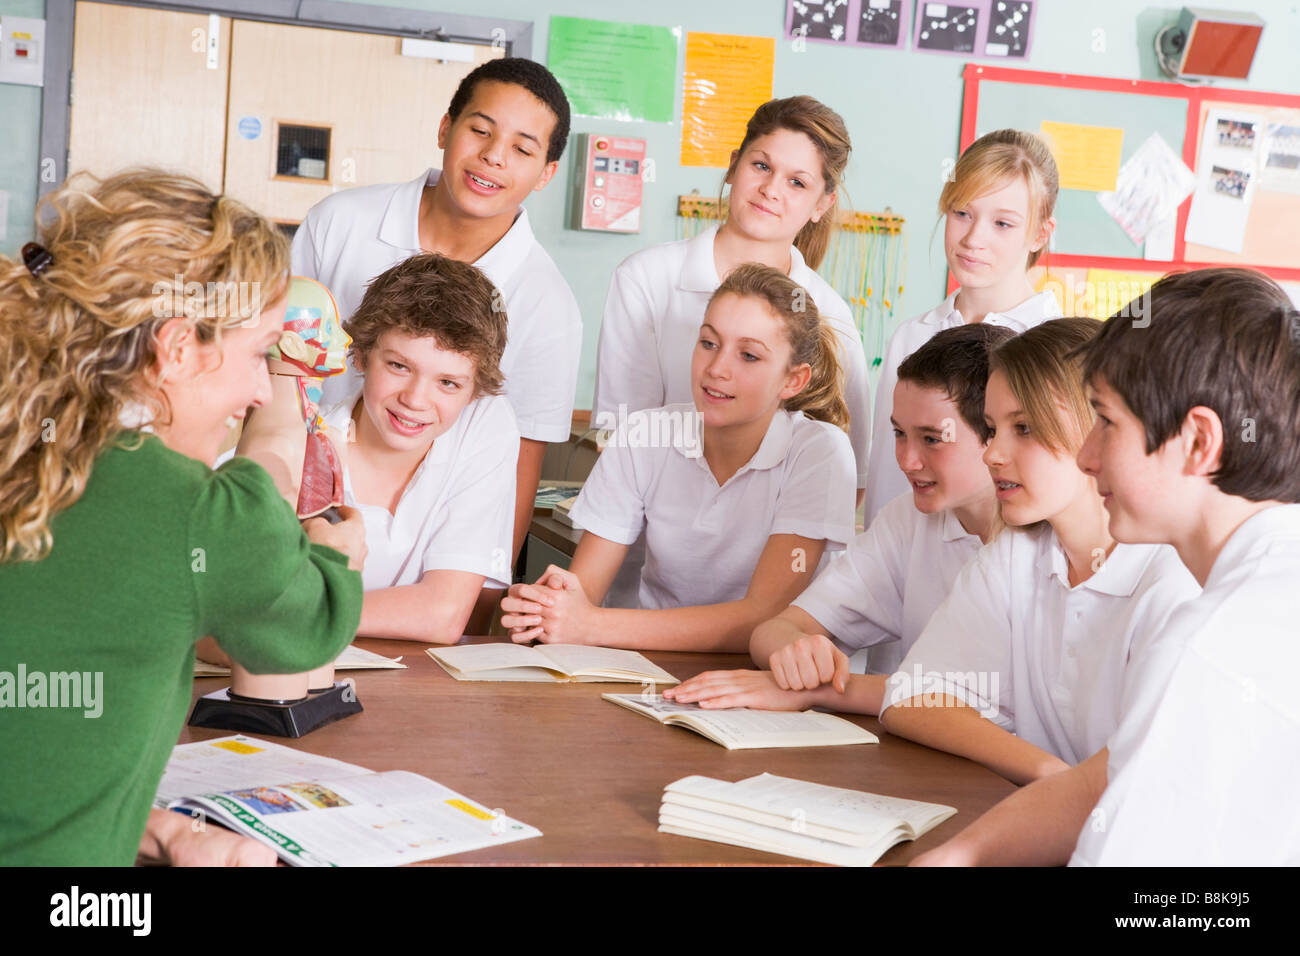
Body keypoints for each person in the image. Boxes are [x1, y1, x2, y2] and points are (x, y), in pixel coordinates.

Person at [0, 169, 366, 865]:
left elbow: (33, 762)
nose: (261, 389)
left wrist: (162, 830)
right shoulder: (197, 510)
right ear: (175, 348)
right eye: (258, 354)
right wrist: (339, 554)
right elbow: (305, 631)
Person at [912, 268, 1300, 866]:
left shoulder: (1209, 644)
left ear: (1199, 442)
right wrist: (962, 855)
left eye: (1107, 422)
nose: (1087, 456)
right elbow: (1103, 783)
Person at [291, 56, 582, 625]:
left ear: (547, 172)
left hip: (431, 555)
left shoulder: (548, 305)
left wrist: (470, 614)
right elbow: (279, 371)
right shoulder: (339, 223)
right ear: (446, 128)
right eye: (481, 130)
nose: (494, 157)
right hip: (311, 495)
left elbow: (517, 469)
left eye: (522, 149)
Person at [879, 319, 1200, 784]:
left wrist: (1059, 790)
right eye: (992, 429)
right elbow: (911, 697)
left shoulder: (1174, 580)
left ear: (1099, 430)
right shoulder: (1018, 553)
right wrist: (1049, 774)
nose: (992, 454)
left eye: (1024, 428)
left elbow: (1153, 781)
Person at [500, 264, 856, 652]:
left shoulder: (819, 453)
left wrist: (590, 625)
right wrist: (547, 609)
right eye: (709, 343)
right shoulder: (642, 434)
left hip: (759, 673)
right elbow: (581, 594)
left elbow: (765, 615)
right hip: (644, 664)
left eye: (749, 356)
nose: (717, 369)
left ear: (793, 380)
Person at [666, 323, 1012, 712]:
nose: (907, 460)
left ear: (996, 434)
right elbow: (775, 629)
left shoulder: (1039, 544)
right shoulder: (907, 522)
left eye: (931, 439)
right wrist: (794, 651)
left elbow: (972, 700)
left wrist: (818, 690)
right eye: (900, 434)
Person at [595, 96, 871, 498]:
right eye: (761, 166)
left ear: (822, 205)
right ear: (733, 166)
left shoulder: (829, 312)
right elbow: (620, 436)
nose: (770, 190)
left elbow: (850, 473)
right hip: (652, 523)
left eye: (797, 183)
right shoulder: (646, 278)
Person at [862, 128, 1062, 526]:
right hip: (903, 558)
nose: (973, 238)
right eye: (962, 213)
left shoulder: (1057, 351)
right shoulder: (912, 337)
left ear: (1040, 234)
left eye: (1002, 223)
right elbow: (888, 480)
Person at [320, 254, 519, 643]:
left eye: (448, 383)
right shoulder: (306, 442)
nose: (414, 399)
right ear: (361, 355)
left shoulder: (486, 423)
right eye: (399, 366)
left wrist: (305, 613)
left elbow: (443, 614)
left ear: (474, 391)